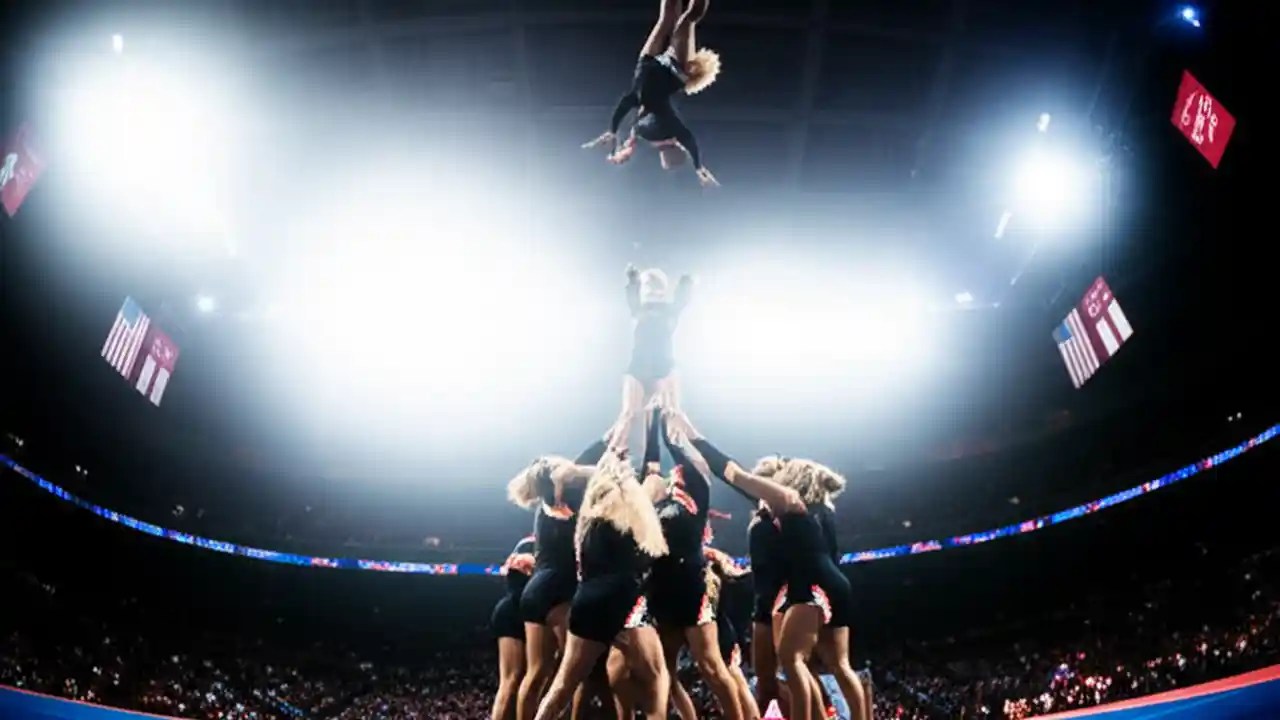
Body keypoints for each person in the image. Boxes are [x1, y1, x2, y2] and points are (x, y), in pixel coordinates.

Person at [532, 449, 672, 720]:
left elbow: (599, 475)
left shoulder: (587, 517)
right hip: (625, 599)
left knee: (563, 686)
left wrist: (595, 467)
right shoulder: (633, 509)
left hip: (587, 600)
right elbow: (656, 483)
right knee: (657, 679)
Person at [643, 409, 745, 720]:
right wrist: (651, 427)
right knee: (664, 674)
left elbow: (689, 459)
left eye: (675, 473)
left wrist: (667, 429)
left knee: (712, 667)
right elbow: (650, 465)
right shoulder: (653, 503)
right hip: (659, 587)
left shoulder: (697, 496)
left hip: (691, 586)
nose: (669, 475)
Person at [507, 438, 609, 720]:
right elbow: (584, 462)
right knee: (574, 672)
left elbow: (586, 458)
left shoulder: (543, 507)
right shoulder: (567, 497)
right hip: (559, 592)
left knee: (536, 672)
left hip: (534, 592)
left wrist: (611, 438)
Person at [763, 457, 868, 720]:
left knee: (790, 658)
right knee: (838, 664)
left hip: (807, 587)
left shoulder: (796, 512)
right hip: (833, 584)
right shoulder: (824, 510)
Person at [582, 0, 721, 187]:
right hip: (674, 69)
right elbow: (688, 139)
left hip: (646, 65)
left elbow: (627, 102)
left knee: (667, 16)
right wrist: (698, 168)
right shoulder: (667, 127)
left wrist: (613, 133)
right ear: (674, 149)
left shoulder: (641, 129)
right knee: (687, 19)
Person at [605, 265, 692, 457]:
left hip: (663, 368)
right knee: (628, 416)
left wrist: (686, 283)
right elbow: (633, 297)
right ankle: (612, 459)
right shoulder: (639, 309)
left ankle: (690, 462)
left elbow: (681, 300)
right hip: (640, 367)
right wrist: (633, 280)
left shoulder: (669, 310)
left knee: (674, 416)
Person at [492, 536, 536, 720]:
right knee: (512, 680)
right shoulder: (538, 546)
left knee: (513, 680)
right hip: (518, 610)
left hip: (511, 608)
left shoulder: (523, 545)